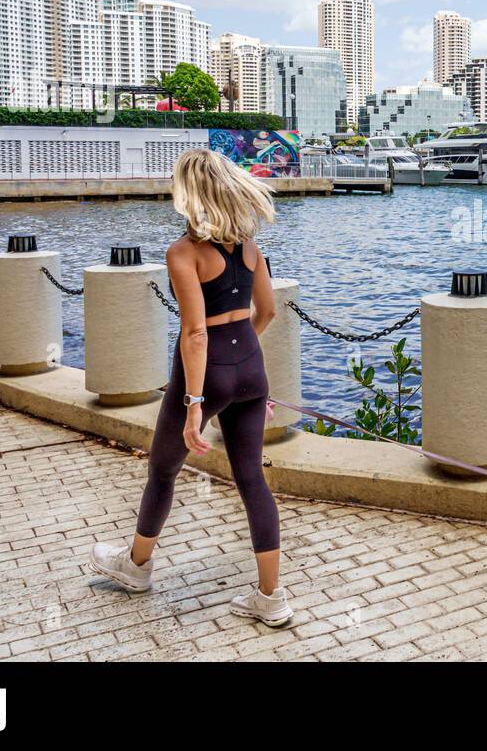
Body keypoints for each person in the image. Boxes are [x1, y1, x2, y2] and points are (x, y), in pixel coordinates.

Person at [90, 149, 291, 627]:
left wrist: (196, 403)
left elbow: (196, 333)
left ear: (188, 194)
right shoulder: (249, 246)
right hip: (251, 369)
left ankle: (136, 567)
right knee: (252, 480)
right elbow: (267, 312)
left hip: (207, 373)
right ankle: (271, 598)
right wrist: (241, 366)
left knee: (163, 471)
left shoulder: (183, 252)